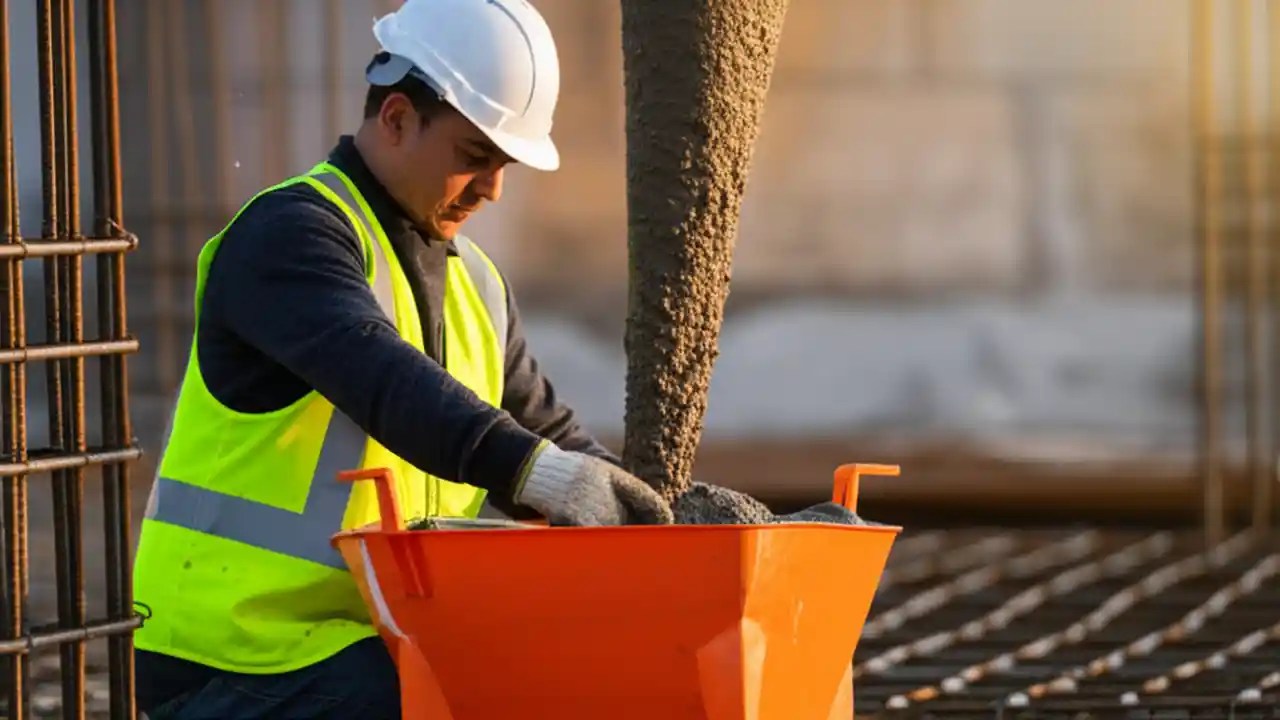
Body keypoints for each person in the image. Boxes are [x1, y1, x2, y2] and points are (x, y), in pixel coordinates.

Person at [130, 1, 671, 717]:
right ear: (395, 118)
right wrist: (537, 472)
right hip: (230, 660)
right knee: (441, 700)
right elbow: (384, 378)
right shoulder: (287, 237)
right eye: (474, 157)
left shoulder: (475, 280)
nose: (492, 188)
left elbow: (547, 434)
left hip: (371, 640)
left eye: (504, 164)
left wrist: (653, 516)